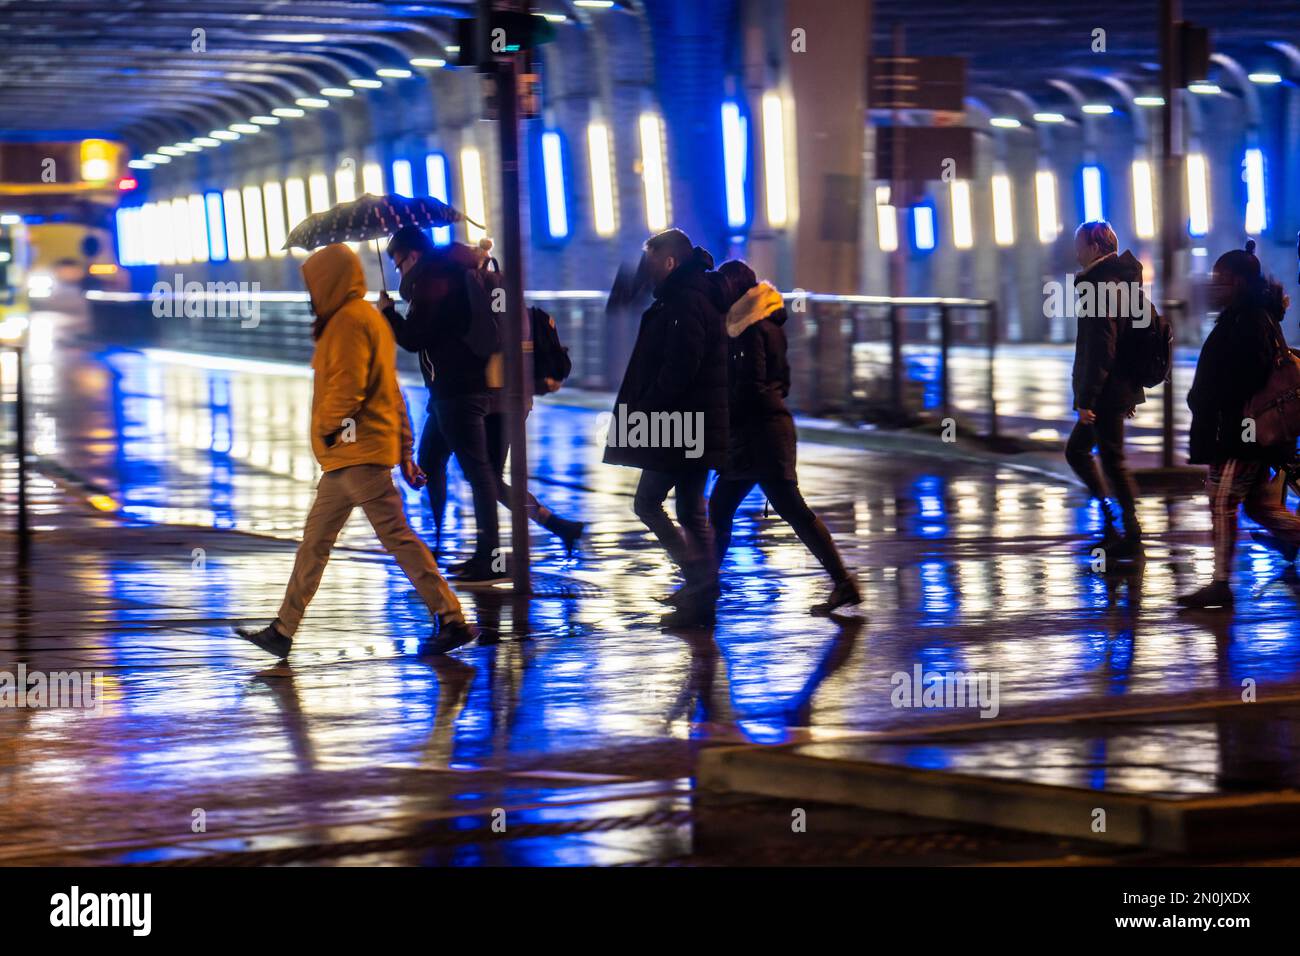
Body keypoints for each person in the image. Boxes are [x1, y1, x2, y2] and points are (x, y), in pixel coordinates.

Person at [234, 243, 477, 658]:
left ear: (330, 281)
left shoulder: (347, 322)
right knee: (316, 543)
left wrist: (331, 430)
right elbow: (392, 393)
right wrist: (404, 450)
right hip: (350, 456)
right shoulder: (367, 318)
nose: (311, 294)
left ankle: (451, 616)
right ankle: (283, 629)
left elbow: (350, 388)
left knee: (397, 538)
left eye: (314, 284)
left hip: (355, 454)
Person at [378, 227, 583, 584]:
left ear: (411, 255)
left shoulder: (434, 278)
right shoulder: (465, 273)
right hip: (492, 390)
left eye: (398, 263)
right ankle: (551, 526)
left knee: (477, 474)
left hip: (459, 390)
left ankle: (484, 556)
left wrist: (388, 314)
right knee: (469, 470)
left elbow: (414, 338)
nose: (399, 272)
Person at [707, 260, 862, 615]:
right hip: (761, 431)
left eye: (723, 287)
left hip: (758, 435)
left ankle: (843, 582)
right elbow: (782, 383)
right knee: (723, 508)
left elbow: (752, 384)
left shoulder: (749, 329)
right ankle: (702, 586)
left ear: (736, 289)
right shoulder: (765, 326)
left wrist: (728, 408)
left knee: (787, 507)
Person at [604, 228, 729, 627]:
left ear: (670, 262)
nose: (647, 269)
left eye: (652, 260)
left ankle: (701, 586)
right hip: (691, 422)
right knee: (691, 510)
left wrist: (647, 408)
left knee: (648, 502)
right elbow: (621, 300)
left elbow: (680, 368)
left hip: (682, 424)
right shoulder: (684, 296)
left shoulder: (685, 303)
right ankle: (700, 590)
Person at [1178, 241, 1300, 609]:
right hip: (1241, 432)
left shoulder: (1249, 321)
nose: (1215, 287)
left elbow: (1247, 380)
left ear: (1241, 283)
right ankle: (1220, 583)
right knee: (1260, 509)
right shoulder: (1246, 316)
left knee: (1222, 501)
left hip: (1241, 434)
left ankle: (1220, 584)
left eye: (1222, 280)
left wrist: (1216, 411)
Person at [1066, 220, 1147, 561]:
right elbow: (1130, 338)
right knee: (1094, 455)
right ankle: (1118, 527)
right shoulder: (1120, 280)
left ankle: (1126, 531)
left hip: (1104, 394)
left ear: (1096, 248)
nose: (1076, 251)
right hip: (1116, 389)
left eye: (1080, 244)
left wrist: (1087, 399)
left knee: (1108, 459)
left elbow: (1101, 347)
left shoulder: (1099, 285)